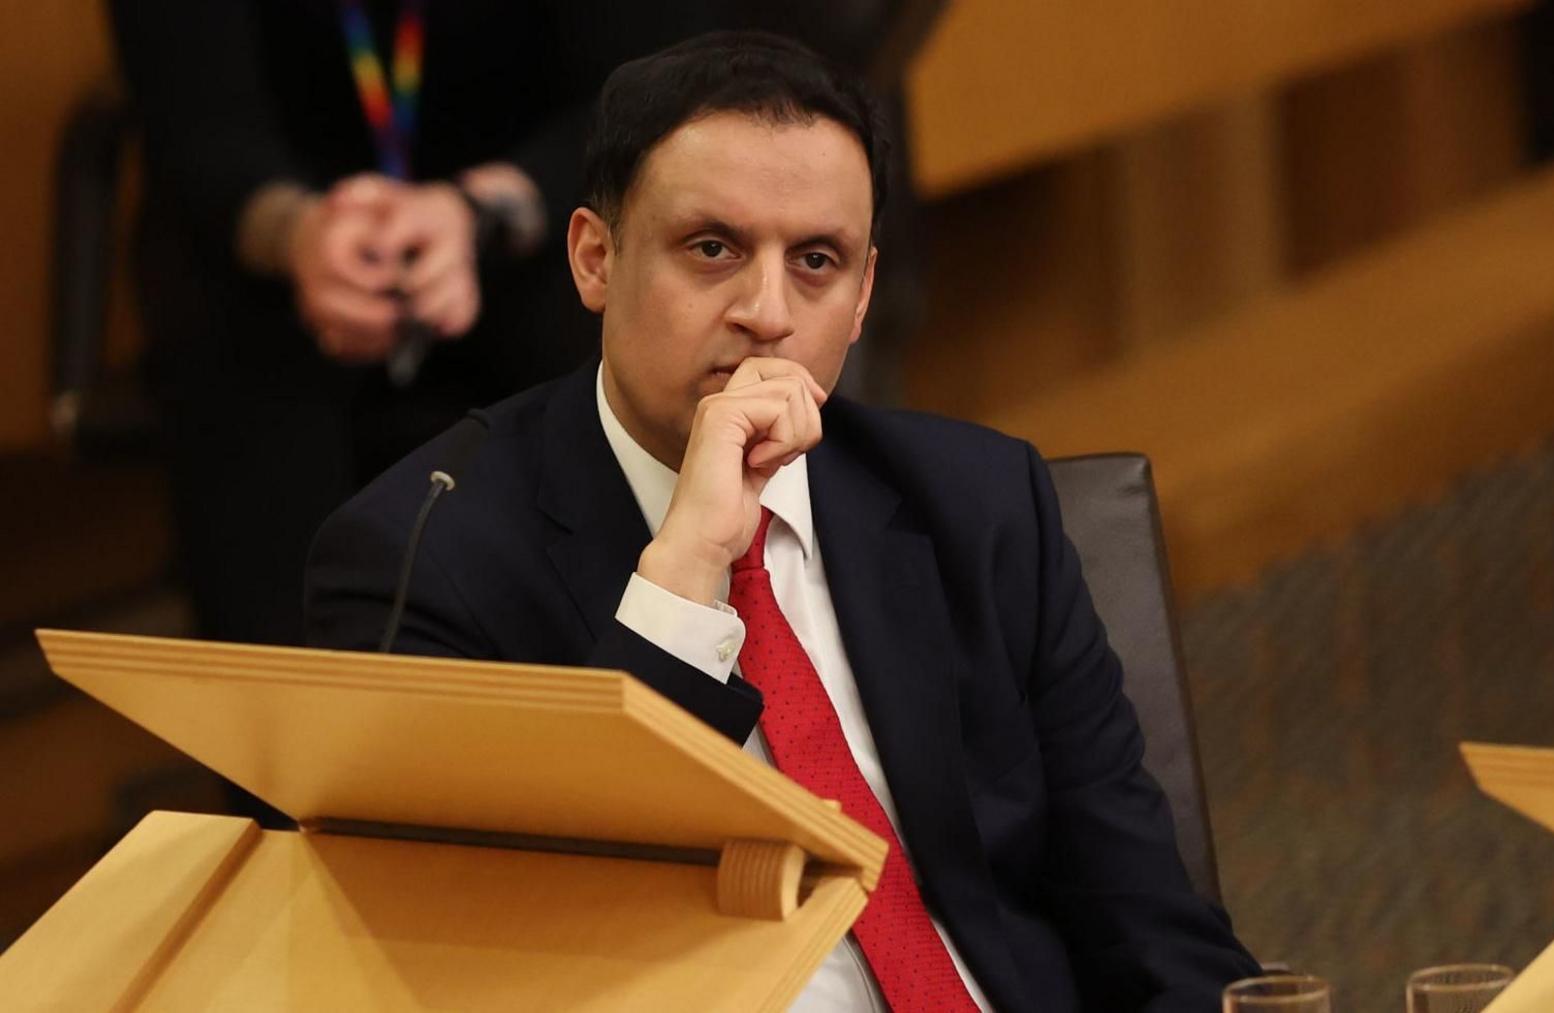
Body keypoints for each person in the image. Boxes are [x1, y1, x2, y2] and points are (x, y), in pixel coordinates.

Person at [305, 31, 1260, 1011]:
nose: (767, 310)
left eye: (817, 260)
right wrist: (686, 571)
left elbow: (1147, 921)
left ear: (863, 298)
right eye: (712, 248)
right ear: (595, 258)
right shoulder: (423, 553)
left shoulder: (980, 503)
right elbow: (517, 942)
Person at [108, 1, 711, 649]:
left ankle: (607, 681)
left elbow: (657, 87)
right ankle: (288, 716)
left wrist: (481, 210)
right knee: (232, 363)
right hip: (274, 251)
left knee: (614, 323)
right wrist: (299, 234)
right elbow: (196, 118)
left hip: (536, 224)